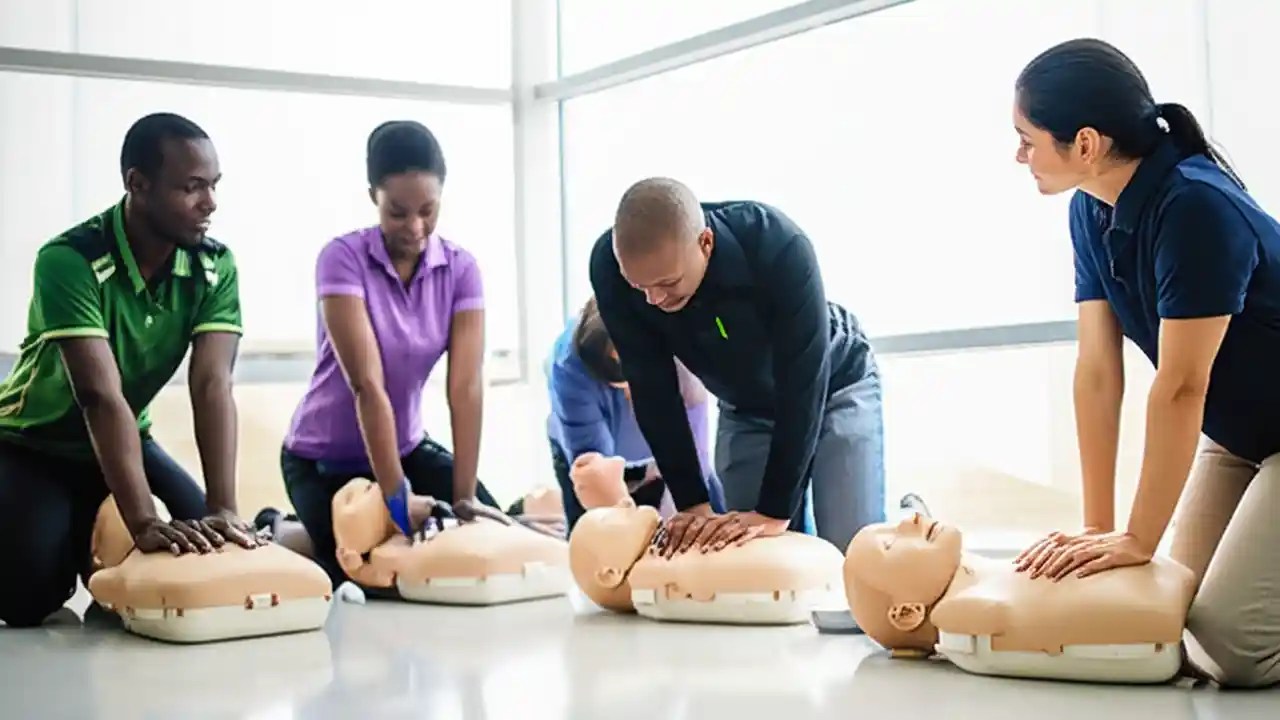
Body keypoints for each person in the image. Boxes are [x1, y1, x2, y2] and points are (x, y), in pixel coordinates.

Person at [1008, 38, 1280, 689]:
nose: (1018, 155)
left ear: (1086, 144)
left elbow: (1182, 387)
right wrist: (1099, 532)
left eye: (1027, 138)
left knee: (1236, 646)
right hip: (1241, 438)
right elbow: (1099, 374)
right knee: (1168, 619)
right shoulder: (1089, 211)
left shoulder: (1194, 207)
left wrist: (1138, 538)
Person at [0, 112, 260, 628]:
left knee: (216, 548)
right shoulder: (68, 259)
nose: (209, 203)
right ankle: (76, 532)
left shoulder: (214, 266)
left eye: (213, 186)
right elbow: (99, 396)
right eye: (191, 187)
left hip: (125, 439)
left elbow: (211, 384)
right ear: (137, 184)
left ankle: (91, 531)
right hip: (35, 443)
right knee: (27, 600)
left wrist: (224, 508)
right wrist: (141, 520)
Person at [274, 120, 551, 589]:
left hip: (406, 448)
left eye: (428, 209)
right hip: (322, 461)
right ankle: (281, 531)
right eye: (398, 212)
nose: (415, 227)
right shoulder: (341, 259)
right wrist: (396, 499)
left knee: (486, 542)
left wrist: (463, 495)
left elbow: (464, 388)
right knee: (368, 571)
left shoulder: (461, 270)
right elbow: (367, 385)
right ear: (373, 196)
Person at [589, 179, 885, 557]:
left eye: (668, 283)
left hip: (834, 384)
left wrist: (775, 511)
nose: (654, 299)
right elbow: (652, 385)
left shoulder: (778, 244)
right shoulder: (608, 268)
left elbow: (803, 382)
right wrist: (692, 503)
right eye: (640, 287)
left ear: (705, 244)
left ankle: (913, 526)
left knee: (851, 554)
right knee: (748, 556)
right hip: (747, 406)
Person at [546, 295, 726, 533]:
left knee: (706, 521)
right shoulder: (570, 365)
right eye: (623, 374)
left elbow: (695, 464)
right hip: (598, 459)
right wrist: (624, 516)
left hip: (660, 454)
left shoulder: (683, 356)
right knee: (595, 540)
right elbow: (594, 472)